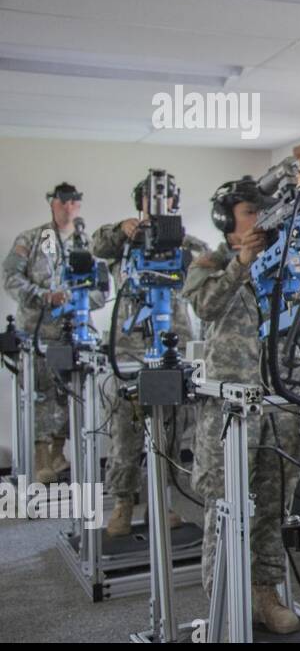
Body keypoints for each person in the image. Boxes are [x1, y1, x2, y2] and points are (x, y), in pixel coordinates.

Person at [182, 177, 300, 634]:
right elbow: (206, 307)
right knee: (226, 506)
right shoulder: (209, 262)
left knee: (273, 504)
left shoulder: (282, 259)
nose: (258, 219)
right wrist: (241, 264)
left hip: (278, 398)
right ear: (226, 220)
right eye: (249, 212)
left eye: (261, 210)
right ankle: (225, 605)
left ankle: (266, 594)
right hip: (230, 405)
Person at [93, 175, 211, 538]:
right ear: (140, 201)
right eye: (151, 197)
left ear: (175, 202)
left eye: (166, 197)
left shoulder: (188, 243)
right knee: (126, 430)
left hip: (174, 347)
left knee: (172, 429)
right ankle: (123, 502)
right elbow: (97, 244)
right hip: (130, 350)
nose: (159, 202)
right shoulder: (124, 241)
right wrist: (123, 229)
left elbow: (208, 266)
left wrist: (177, 240)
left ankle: (163, 499)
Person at [2, 183, 107, 484]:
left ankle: (59, 453)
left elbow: (102, 289)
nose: (68, 207)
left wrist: (77, 300)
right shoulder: (32, 239)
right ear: (53, 204)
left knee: (71, 394)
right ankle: (41, 459)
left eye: (73, 202)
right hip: (38, 335)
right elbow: (10, 278)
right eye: (63, 202)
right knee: (39, 394)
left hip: (75, 335)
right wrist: (45, 296)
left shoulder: (87, 243)